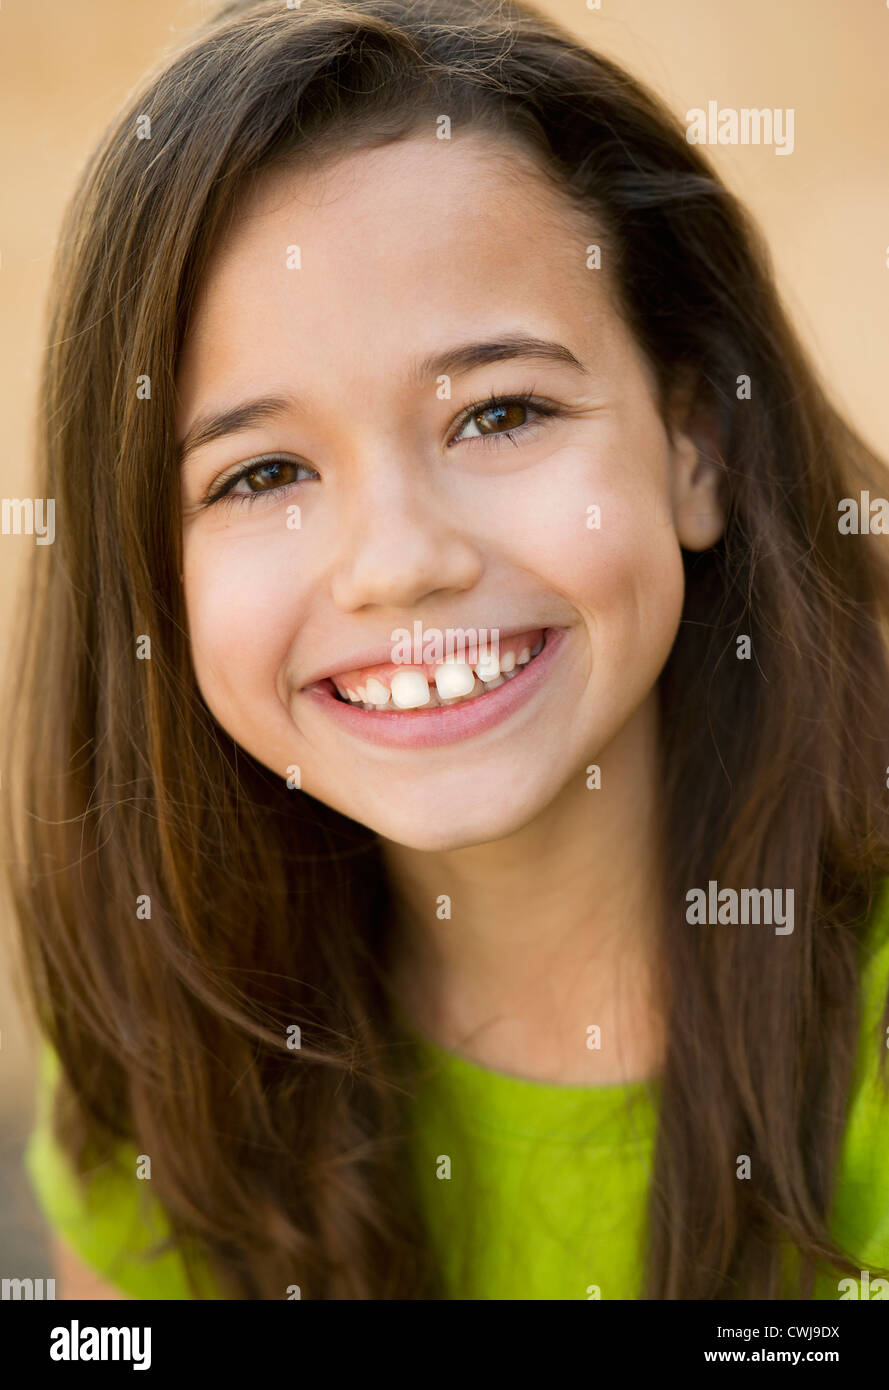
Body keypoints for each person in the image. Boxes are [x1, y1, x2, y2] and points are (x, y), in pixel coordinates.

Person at [6, 0, 889, 1300]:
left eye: (500, 412)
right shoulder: (171, 1033)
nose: (399, 557)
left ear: (693, 443)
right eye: (260, 473)